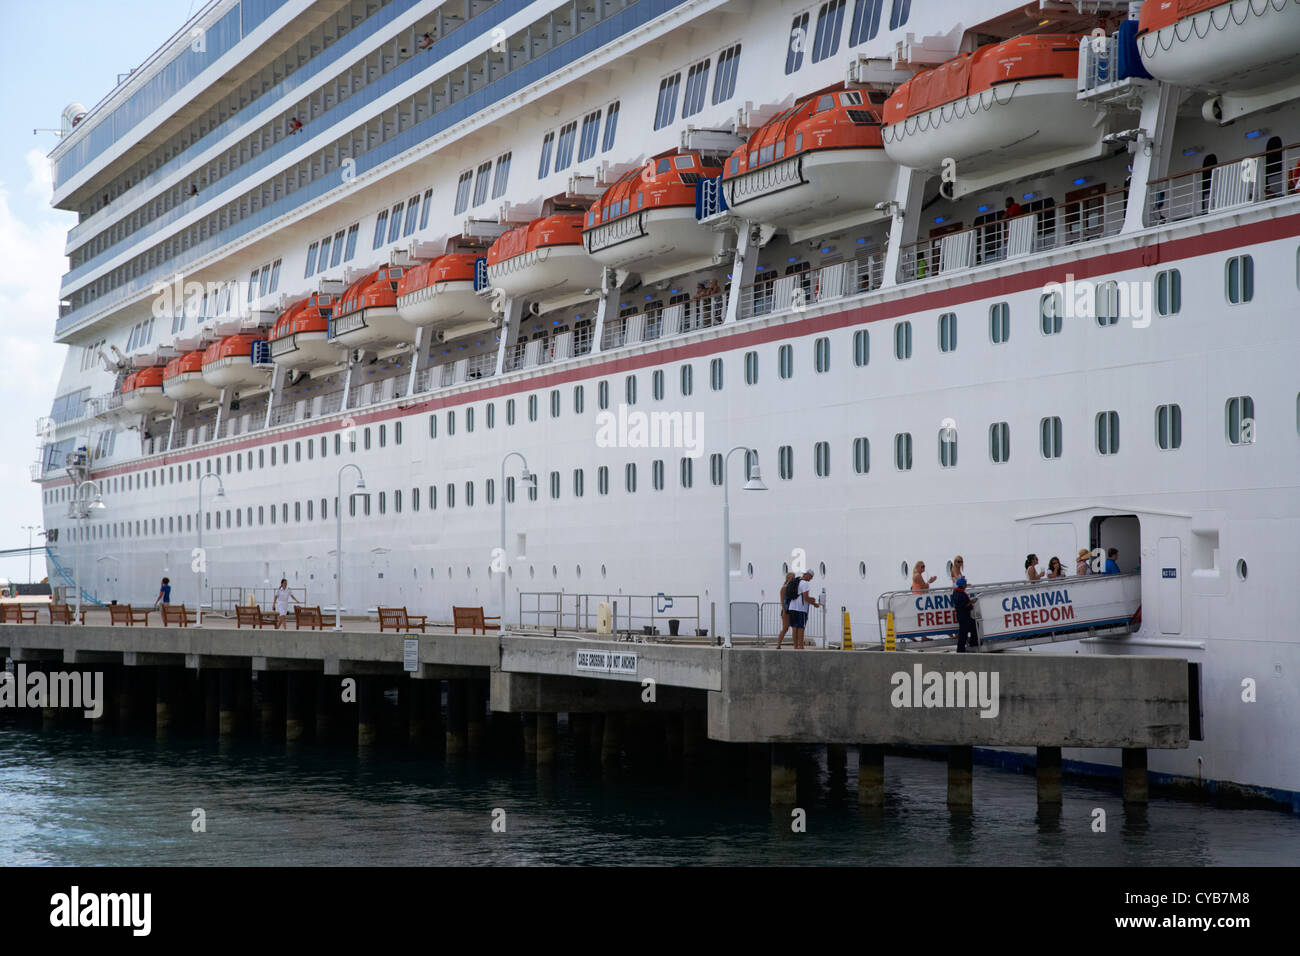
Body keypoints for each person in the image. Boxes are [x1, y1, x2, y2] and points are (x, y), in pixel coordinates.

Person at [788, 570, 819, 650]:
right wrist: (814, 603)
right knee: (801, 627)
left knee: (794, 627)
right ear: (807, 575)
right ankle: (801, 646)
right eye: (811, 577)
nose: (811, 579)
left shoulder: (797, 581)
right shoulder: (805, 584)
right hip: (801, 609)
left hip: (792, 607)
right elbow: (806, 598)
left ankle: (795, 646)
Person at [951, 577, 977, 653]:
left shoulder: (957, 592)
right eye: (965, 584)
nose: (966, 585)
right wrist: (970, 603)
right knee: (964, 633)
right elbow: (962, 606)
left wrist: (969, 603)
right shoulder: (960, 594)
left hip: (962, 616)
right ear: (962, 585)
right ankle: (962, 648)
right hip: (963, 616)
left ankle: (969, 645)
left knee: (968, 630)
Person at [775, 572, 796, 649]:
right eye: (792, 578)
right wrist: (784, 611)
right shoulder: (784, 588)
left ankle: (795, 645)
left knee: (794, 628)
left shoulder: (793, 588)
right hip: (786, 610)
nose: (793, 579)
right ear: (788, 578)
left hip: (793, 609)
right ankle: (778, 644)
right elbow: (782, 600)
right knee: (785, 628)